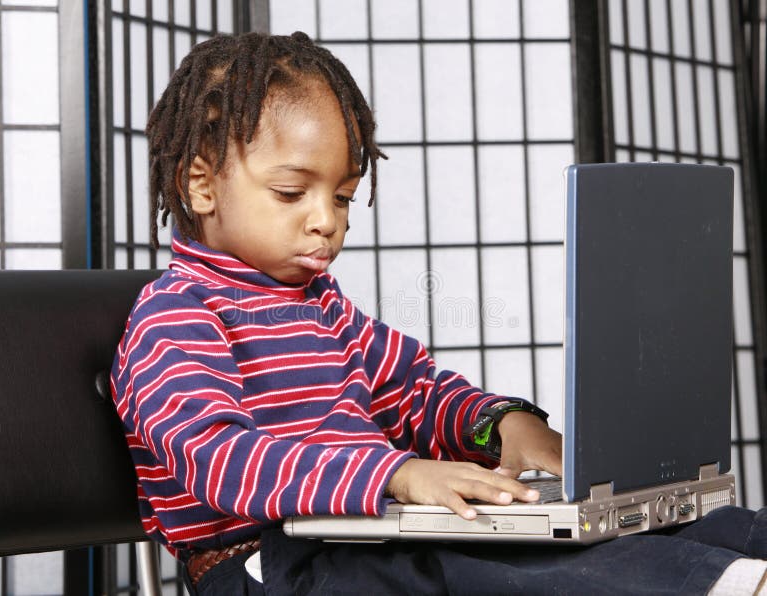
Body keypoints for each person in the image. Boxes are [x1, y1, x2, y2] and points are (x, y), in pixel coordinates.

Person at [111, 31, 767, 595]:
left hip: (357, 536)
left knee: (529, 530)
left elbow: (416, 394)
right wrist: (393, 472)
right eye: (291, 192)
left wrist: (502, 429)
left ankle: (737, 549)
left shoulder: (324, 310)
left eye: (342, 198)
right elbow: (221, 460)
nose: (325, 223)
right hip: (265, 566)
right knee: (459, 560)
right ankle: (705, 583)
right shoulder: (175, 317)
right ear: (201, 183)